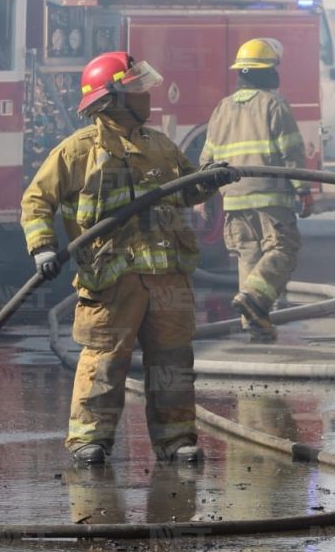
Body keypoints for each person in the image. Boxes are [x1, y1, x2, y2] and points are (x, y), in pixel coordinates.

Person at [20, 51, 234, 466]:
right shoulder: (78, 151)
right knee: (103, 360)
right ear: (113, 98)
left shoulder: (160, 146)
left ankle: (176, 441)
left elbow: (188, 189)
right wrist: (43, 247)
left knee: (172, 360)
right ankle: (90, 441)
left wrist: (211, 179)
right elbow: (36, 201)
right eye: (137, 89)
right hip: (111, 280)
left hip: (166, 277)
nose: (147, 96)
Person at [201, 38, 309, 344]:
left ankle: (255, 324)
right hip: (270, 198)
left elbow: (207, 159)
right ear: (268, 72)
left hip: (233, 200)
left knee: (248, 256)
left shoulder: (222, 108)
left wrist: (204, 197)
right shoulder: (274, 105)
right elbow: (292, 153)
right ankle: (251, 297)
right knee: (283, 250)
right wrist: (303, 191)